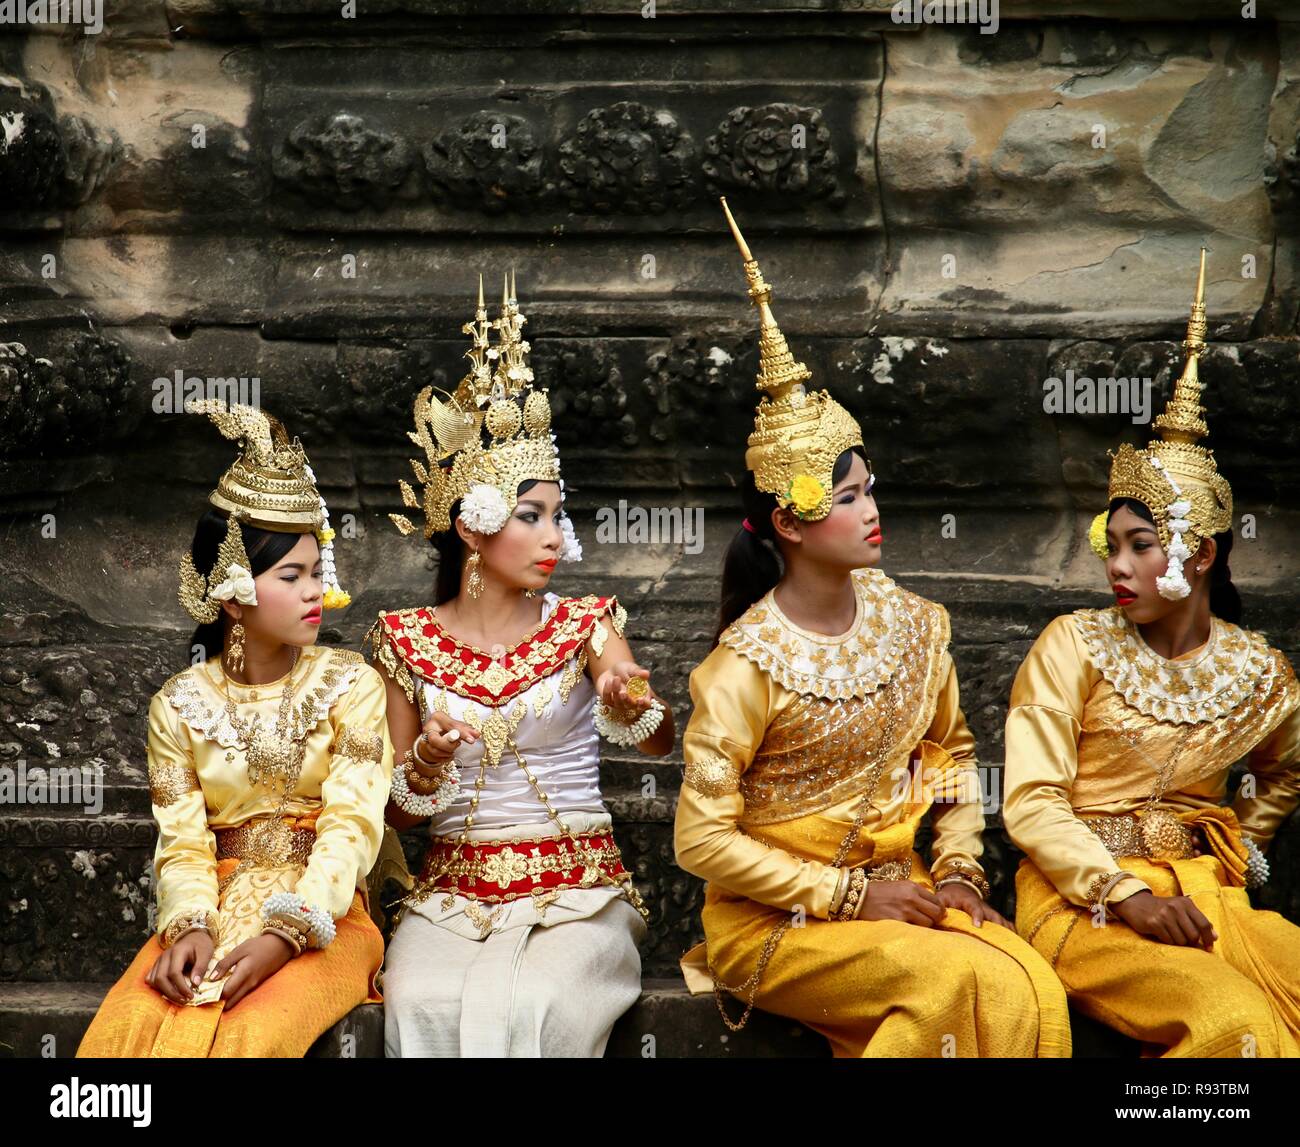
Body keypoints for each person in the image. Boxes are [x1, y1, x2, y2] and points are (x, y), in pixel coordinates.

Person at [671, 199, 1071, 1058]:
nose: (873, 510)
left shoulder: (916, 623)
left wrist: (961, 870)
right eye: (849, 497)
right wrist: (847, 897)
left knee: (1032, 984)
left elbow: (952, 757)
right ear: (789, 522)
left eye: (869, 488)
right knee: (955, 984)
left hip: (910, 889)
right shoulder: (743, 666)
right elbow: (700, 837)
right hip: (775, 921)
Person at [1003, 249, 1300, 1057]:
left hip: (1207, 895)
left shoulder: (1260, 675)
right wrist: (1124, 888)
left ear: (1199, 556)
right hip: (1083, 903)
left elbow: (1288, 769)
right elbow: (1030, 801)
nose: (1117, 566)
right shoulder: (1073, 646)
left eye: (1141, 546)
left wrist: (1243, 843)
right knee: (1234, 1027)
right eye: (1114, 543)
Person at [370, 273, 675, 1057]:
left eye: (557, 515)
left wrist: (622, 693)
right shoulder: (402, 639)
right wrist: (426, 764)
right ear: (473, 530)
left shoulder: (584, 625)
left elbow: (658, 741)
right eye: (531, 515)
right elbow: (398, 815)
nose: (553, 536)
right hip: (451, 898)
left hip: (578, 894)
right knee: (420, 1002)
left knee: (535, 1006)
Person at [78, 401, 394, 1057]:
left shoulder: (352, 682)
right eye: (292, 575)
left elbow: (353, 822)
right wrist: (190, 927)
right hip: (214, 913)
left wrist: (287, 933)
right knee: (125, 1032)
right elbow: (184, 842)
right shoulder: (179, 703)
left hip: (329, 917)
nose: (316, 591)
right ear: (232, 594)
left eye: (317, 571)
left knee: (249, 1034)